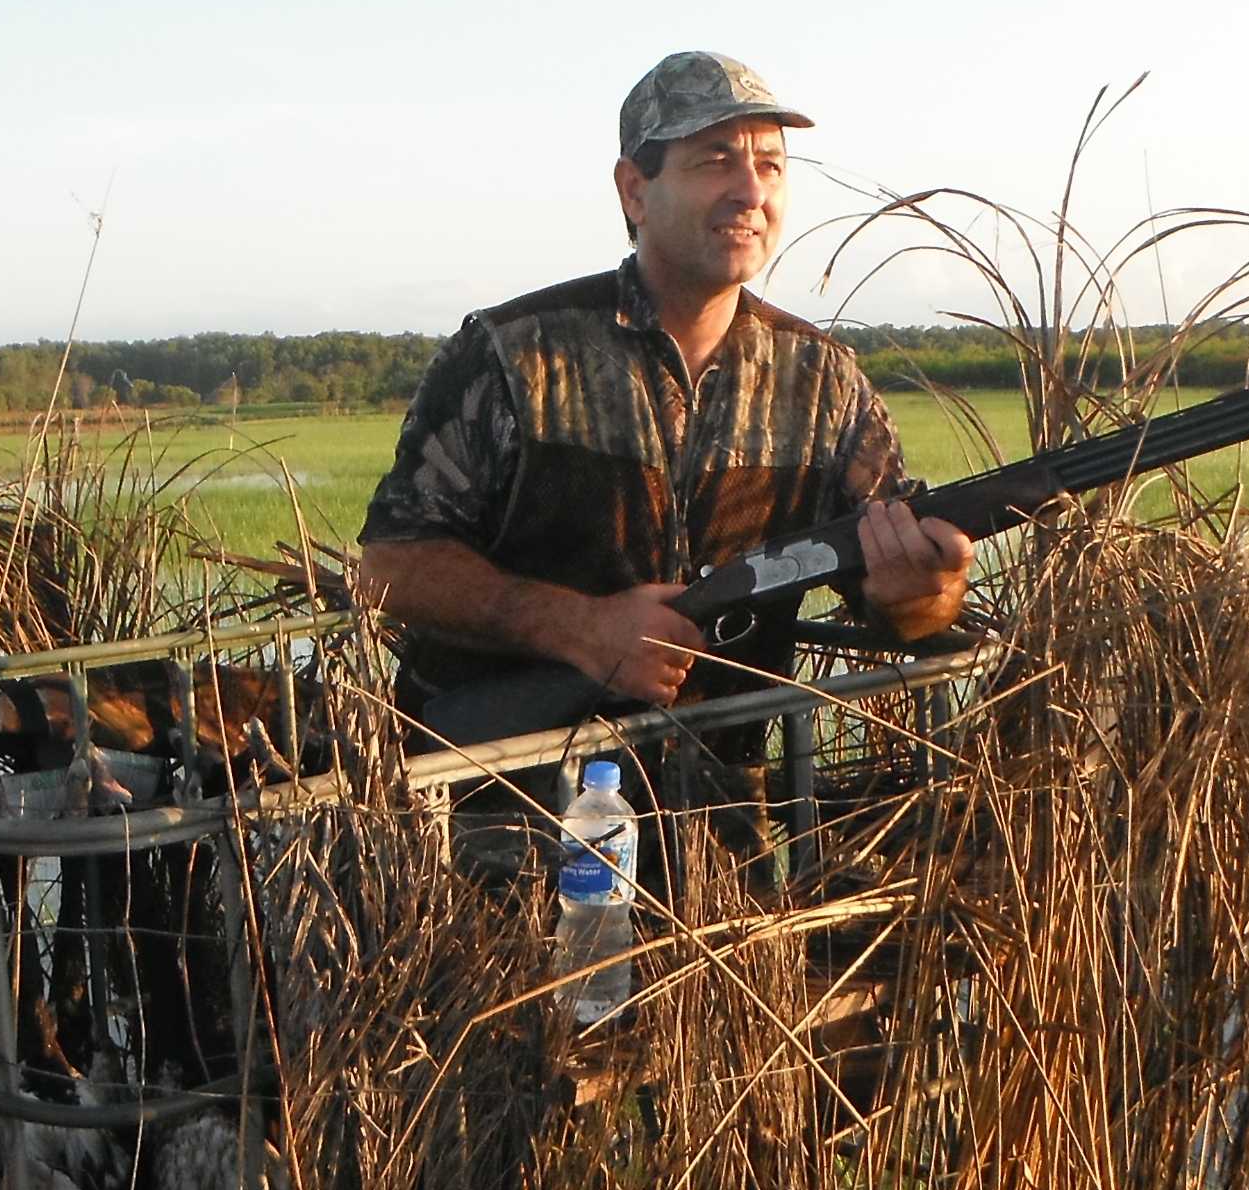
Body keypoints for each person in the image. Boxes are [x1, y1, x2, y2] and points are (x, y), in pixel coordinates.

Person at [358, 50, 973, 737]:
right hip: (507, 811)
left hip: (722, 815)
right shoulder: (514, 353)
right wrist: (578, 627)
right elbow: (391, 564)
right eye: (714, 160)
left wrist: (923, 594)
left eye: (771, 165)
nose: (751, 191)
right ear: (634, 191)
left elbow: (906, 603)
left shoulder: (822, 380)